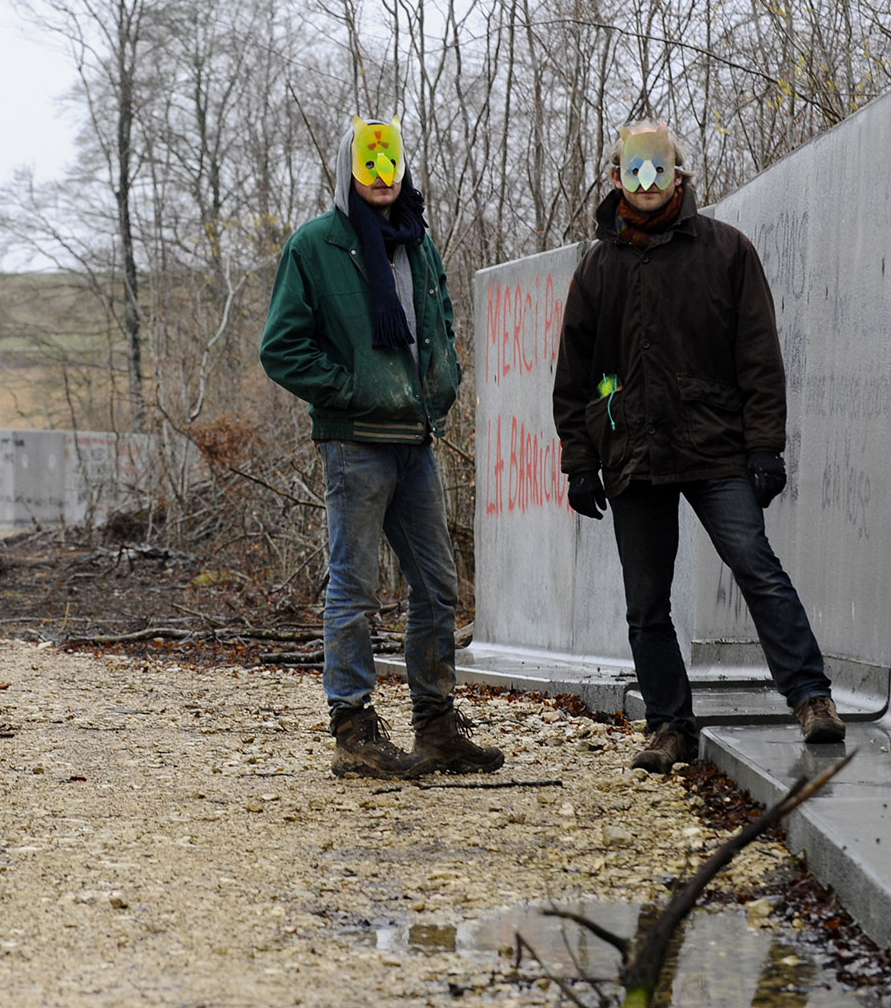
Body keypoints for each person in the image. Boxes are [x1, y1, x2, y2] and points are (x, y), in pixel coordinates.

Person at [552, 120, 846, 773]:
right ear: (615, 179)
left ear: (681, 173)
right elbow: (574, 375)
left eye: (660, 168)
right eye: (635, 170)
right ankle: (669, 727)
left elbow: (759, 359)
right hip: (633, 453)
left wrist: (765, 446)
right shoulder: (598, 270)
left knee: (756, 565)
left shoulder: (727, 252)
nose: (649, 182)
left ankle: (812, 699)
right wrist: (580, 459)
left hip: (716, 447)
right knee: (646, 601)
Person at [260, 115, 503, 780]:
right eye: (368, 163)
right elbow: (280, 347)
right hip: (355, 443)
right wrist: (348, 389)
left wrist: (441, 381)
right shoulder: (316, 245)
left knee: (437, 586)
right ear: (348, 167)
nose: (380, 175)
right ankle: (353, 730)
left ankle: (435, 727)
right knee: (355, 588)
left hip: (415, 439)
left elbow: (441, 321)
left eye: (389, 162)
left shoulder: (415, 239)